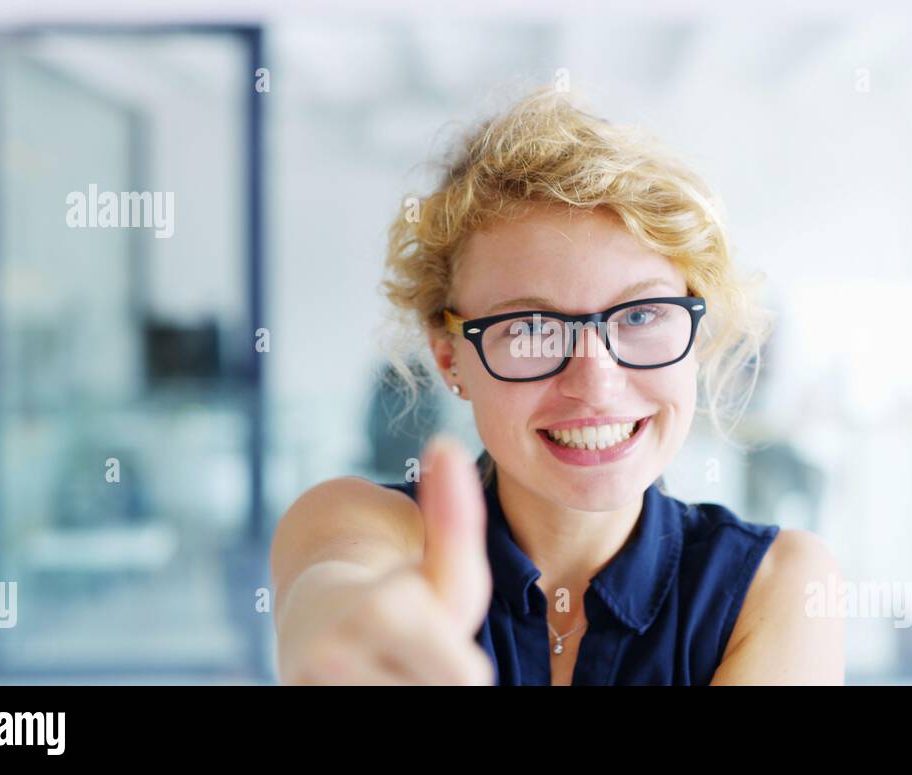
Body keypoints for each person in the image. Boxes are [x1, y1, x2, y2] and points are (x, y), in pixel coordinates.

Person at [270, 86, 844, 685]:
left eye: (641, 315)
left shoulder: (779, 584)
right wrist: (347, 634)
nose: (594, 382)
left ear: (695, 335)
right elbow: (336, 593)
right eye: (532, 329)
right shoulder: (360, 525)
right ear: (451, 360)